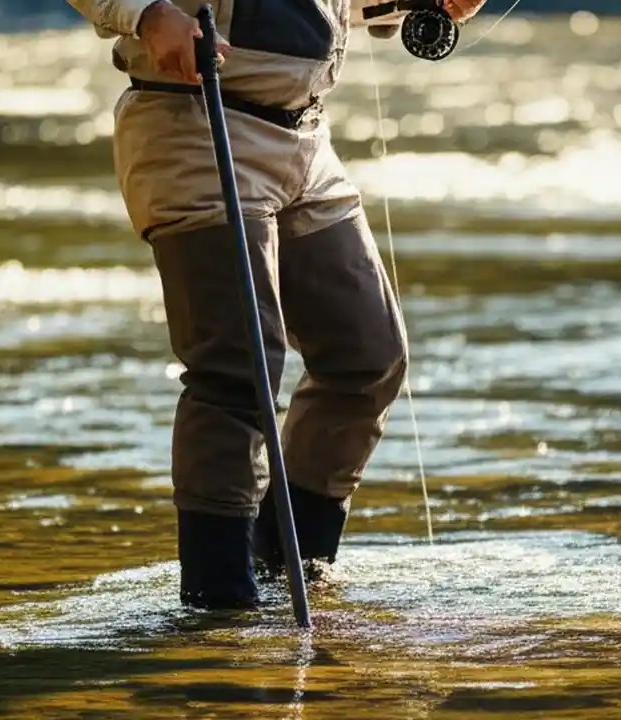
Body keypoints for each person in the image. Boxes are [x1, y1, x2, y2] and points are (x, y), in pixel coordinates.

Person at [66, 0, 485, 610]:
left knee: (366, 357)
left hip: (304, 140)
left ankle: (288, 568)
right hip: (192, 123)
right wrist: (147, 13)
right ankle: (219, 602)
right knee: (237, 370)